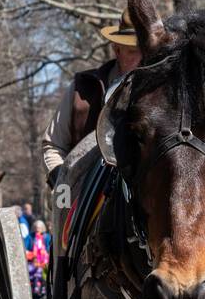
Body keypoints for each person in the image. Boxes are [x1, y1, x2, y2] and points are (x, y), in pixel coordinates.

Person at [40, 10, 143, 189]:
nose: (142, 59)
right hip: (83, 189)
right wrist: (62, 180)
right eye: (133, 51)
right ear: (117, 50)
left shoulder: (168, 94)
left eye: (147, 50)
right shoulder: (82, 89)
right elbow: (53, 145)